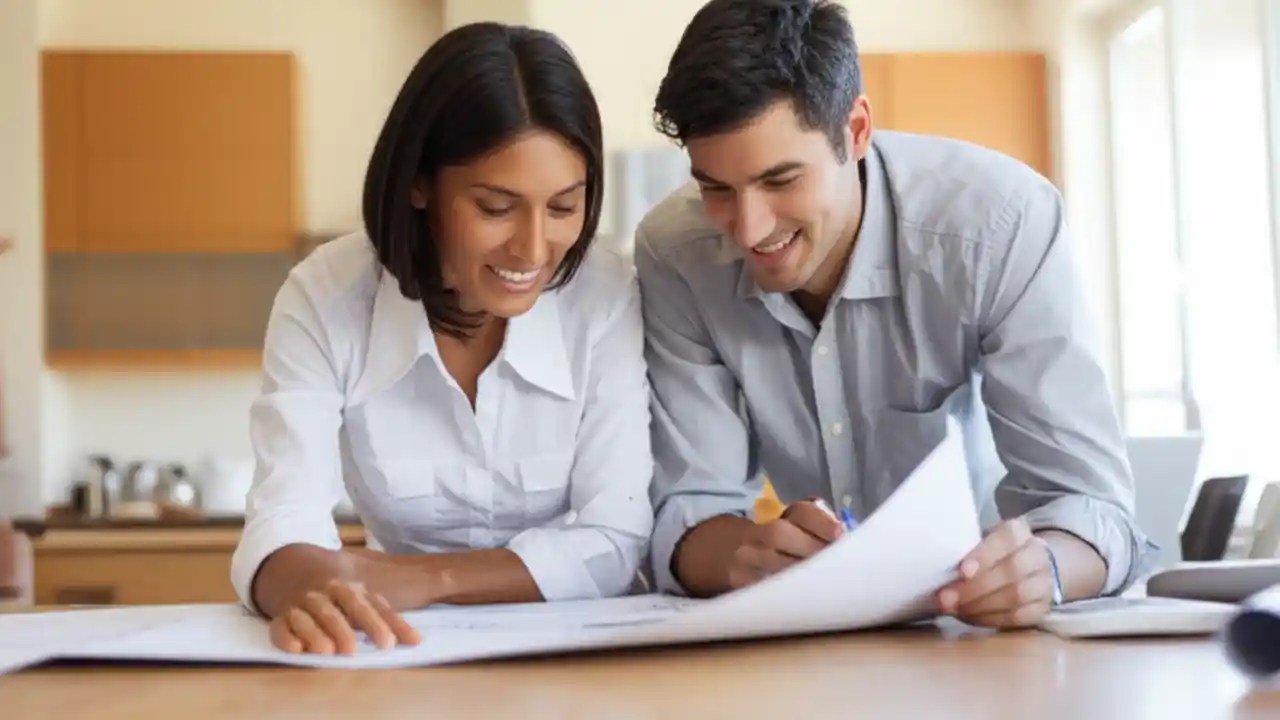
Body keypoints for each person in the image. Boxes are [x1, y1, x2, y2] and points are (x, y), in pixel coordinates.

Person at [638, 0, 1154, 628]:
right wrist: (745, 558)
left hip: (984, 633)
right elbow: (690, 510)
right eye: (716, 188)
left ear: (855, 130)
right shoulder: (675, 253)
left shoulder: (999, 223)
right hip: (808, 643)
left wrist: (1042, 569)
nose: (749, 228)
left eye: (781, 180)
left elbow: (1092, 508)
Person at [231, 22, 654, 655]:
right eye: (495, 207)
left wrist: (423, 578)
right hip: (398, 647)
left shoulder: (605, 296)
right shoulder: (325, 296)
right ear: (419, 182)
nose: (534, 249)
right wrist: (304, 585)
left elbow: (615, 538)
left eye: (564, 208)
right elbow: (283, 517)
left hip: (580, 656)